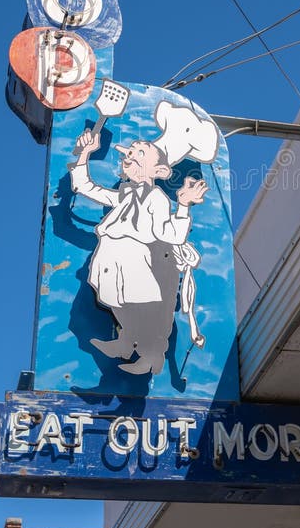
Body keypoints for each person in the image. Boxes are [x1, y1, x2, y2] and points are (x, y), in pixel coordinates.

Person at [71, 130, 208, 375]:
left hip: (133, 254)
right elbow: (84, 186)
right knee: (113, 300)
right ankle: (125, 343)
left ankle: (150, 356)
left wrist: (184, 205)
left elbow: (171, 235)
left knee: (137, 304)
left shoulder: (157, 198)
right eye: (131, 150)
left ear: (160, 171)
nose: (132, 154)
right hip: (108, 253)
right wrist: (85, 154)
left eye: (140, 152)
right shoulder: (123, 194)